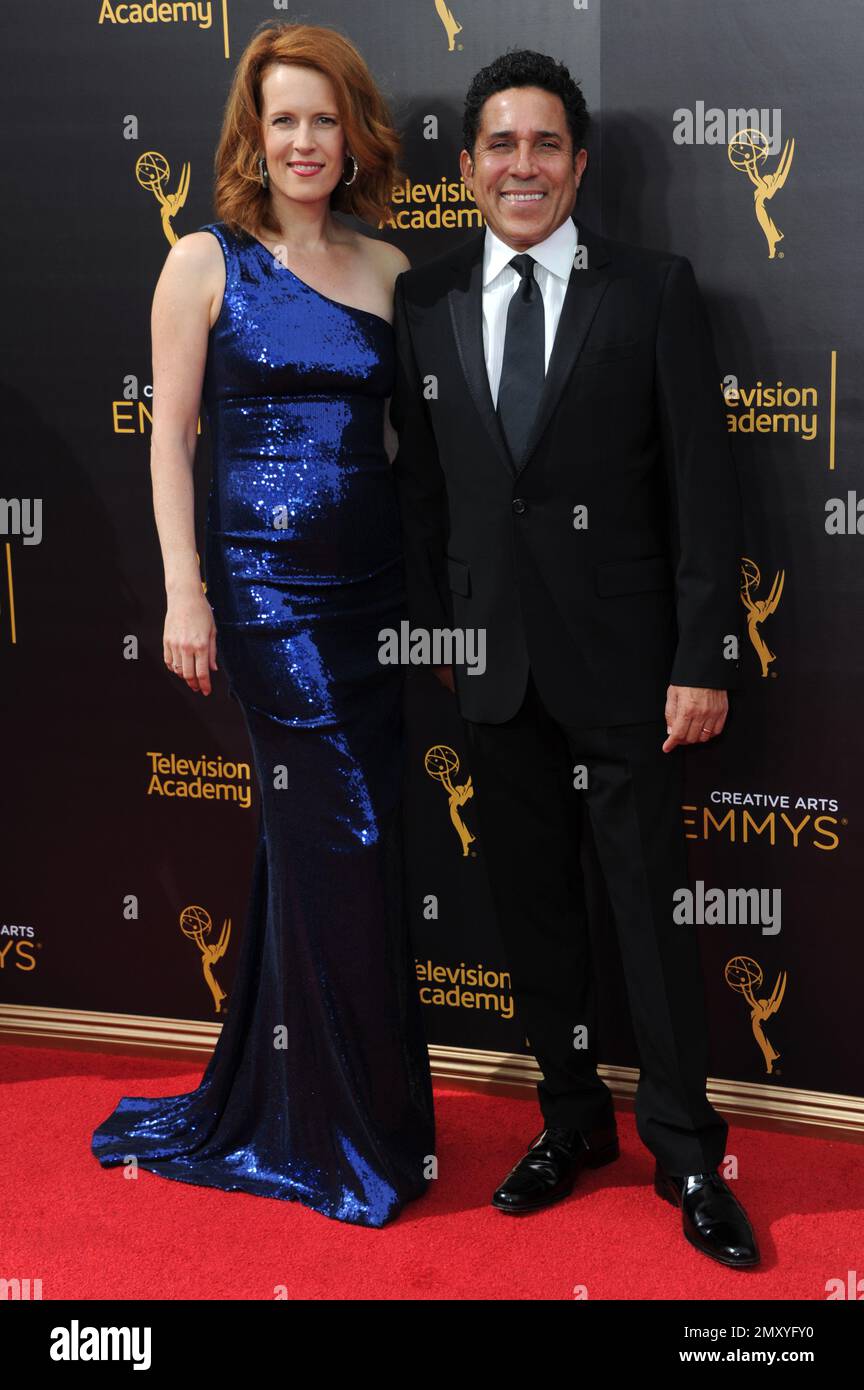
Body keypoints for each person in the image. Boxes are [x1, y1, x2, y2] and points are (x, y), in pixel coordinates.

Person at [390, 49, 758, 1267]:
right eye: (501, 145)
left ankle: (690, 1153)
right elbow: (427, 497)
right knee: (535, 920)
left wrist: (702, 656)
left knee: (649, 918)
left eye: (546, 145)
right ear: (468, 167)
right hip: (491, 674)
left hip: (634, 673)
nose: (524, 166)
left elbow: (707, 493)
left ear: (581, 163)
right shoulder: (426, 300)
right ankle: (570, 1122)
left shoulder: (651, 289)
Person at [91, 22, 434, 1228]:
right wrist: (187, 591)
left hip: (376, 603)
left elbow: (401, 449)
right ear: (254, 132)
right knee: (334, 833)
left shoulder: (392, 270)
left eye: (324, 119)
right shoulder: (203, 262)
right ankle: (328, 1136)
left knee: (354, 851)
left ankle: (331, 1110)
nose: (303, 140)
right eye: (283, 118)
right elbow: (168, 437)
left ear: (355, 137)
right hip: (267, 603)